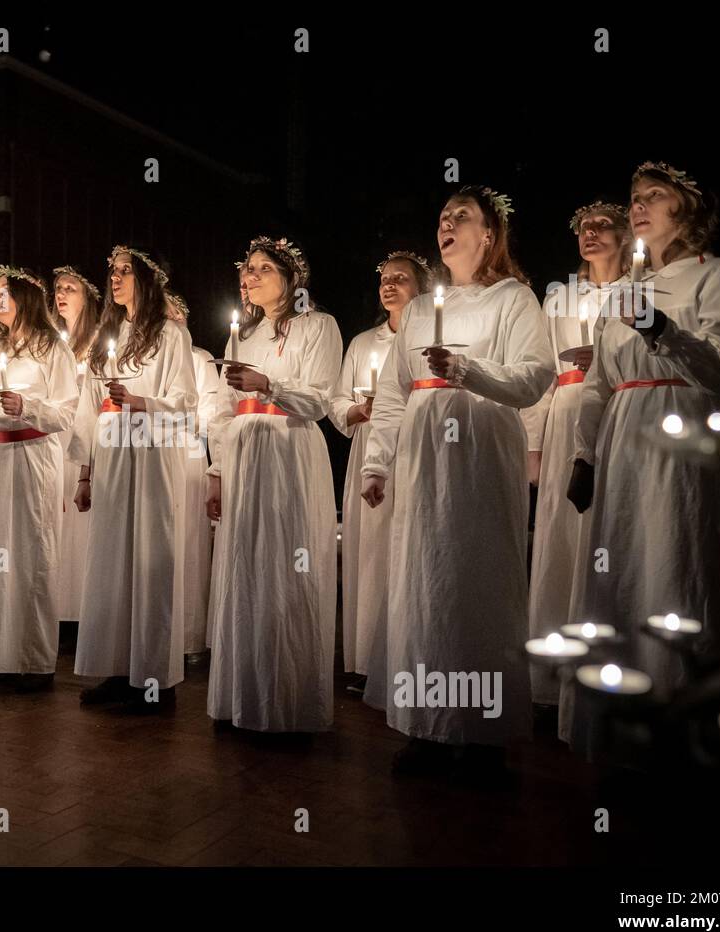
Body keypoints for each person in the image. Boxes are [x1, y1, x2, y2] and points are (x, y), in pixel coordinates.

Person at [361, 187, 554, 782]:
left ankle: (484, 734)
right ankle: (428, 727)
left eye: (460, 216)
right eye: (442, 216)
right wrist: (376, 462)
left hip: (479, 452)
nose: (446, 224)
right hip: (424, 459)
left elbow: (535, 376)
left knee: (479, 580)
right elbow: (394, 393)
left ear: (489, 233)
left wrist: (467, 370)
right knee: (426, 581)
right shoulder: (419, 313)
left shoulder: (513, 299)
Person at [562, 162, 720, 748]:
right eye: (634, 198)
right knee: (621, 570)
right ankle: (621, 732)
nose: (638, 205)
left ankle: (679, 732)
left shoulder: (714, 273)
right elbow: (596, 385)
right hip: (622, 432)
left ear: (686, 209)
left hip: (681, 429)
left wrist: (661, 328)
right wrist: (584, 455)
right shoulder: (620, 292)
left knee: (675, 562)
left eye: (654, 197)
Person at [206, 236, 342, 733]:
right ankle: (242, 697)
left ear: (290, 279)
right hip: (243, 457)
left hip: (288, 453)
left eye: (264, 268)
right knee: (244, 570)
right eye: (247, 269)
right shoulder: (241, 335)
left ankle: (287, 705)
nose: (251, 276)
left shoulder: (319, 326)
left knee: (286, 570)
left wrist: (269, 386)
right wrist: (216, 470)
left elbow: (321, 400)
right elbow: (222, 410)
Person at [71, 247, 197, 708]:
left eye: (126, 271)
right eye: (112, 271)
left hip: (150, 453)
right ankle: (118, 666)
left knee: (148, 560)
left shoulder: (170, 335)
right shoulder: (107, 334)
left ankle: (153, 680)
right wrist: (85, 473)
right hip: (111, 456)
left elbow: (185, 404)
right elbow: (88, 408)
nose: (116, 277)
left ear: (146, 278)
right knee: (112, 562)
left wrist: (140, 401)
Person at [0, 266, 79, 692]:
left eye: (4, 293)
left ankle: (33, 661)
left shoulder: (52, 350)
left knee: (31, 555)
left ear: (24, 297)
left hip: (31, 456)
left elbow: (66, 412)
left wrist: (26, 406)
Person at [523, 202, 628, 706]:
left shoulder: (639, 293)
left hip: (619, 412)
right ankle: (551, 685)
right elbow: (542, 375)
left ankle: (606, 672)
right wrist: (534, 445)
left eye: (603, 225)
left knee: (607, 535)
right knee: (561, 541)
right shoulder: (560, 298)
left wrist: (608, 357)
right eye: (583, 226)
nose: (591, 233)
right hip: (566, 413)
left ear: (626, 234)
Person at [330, 252, 427, 699]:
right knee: (368, 552)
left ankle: (406, 655)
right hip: (368, 448)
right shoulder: (362, 342)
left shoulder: (428, 336)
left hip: (415, 449)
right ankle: (367, 660)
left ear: (421, 286)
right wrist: (356, 409)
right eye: (384, 279)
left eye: (400, 279)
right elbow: (335, 402)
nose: (389, 285)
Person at [166, 290, 219, 658]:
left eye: (172, 315)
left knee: (189, 546)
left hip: (186, 455)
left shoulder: (200, 359)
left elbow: (211, 411)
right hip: (154, 453)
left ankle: (188, 638)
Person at [50, 265, 103, 628]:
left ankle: (82, 612)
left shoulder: (98, 341)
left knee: (81, 527)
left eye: (71, 288)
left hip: (83, 438)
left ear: (87, 298)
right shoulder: (52, 340)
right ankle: (55, 608)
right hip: (53, 440)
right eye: (58, 288)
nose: (62, 294)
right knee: (55, 524)